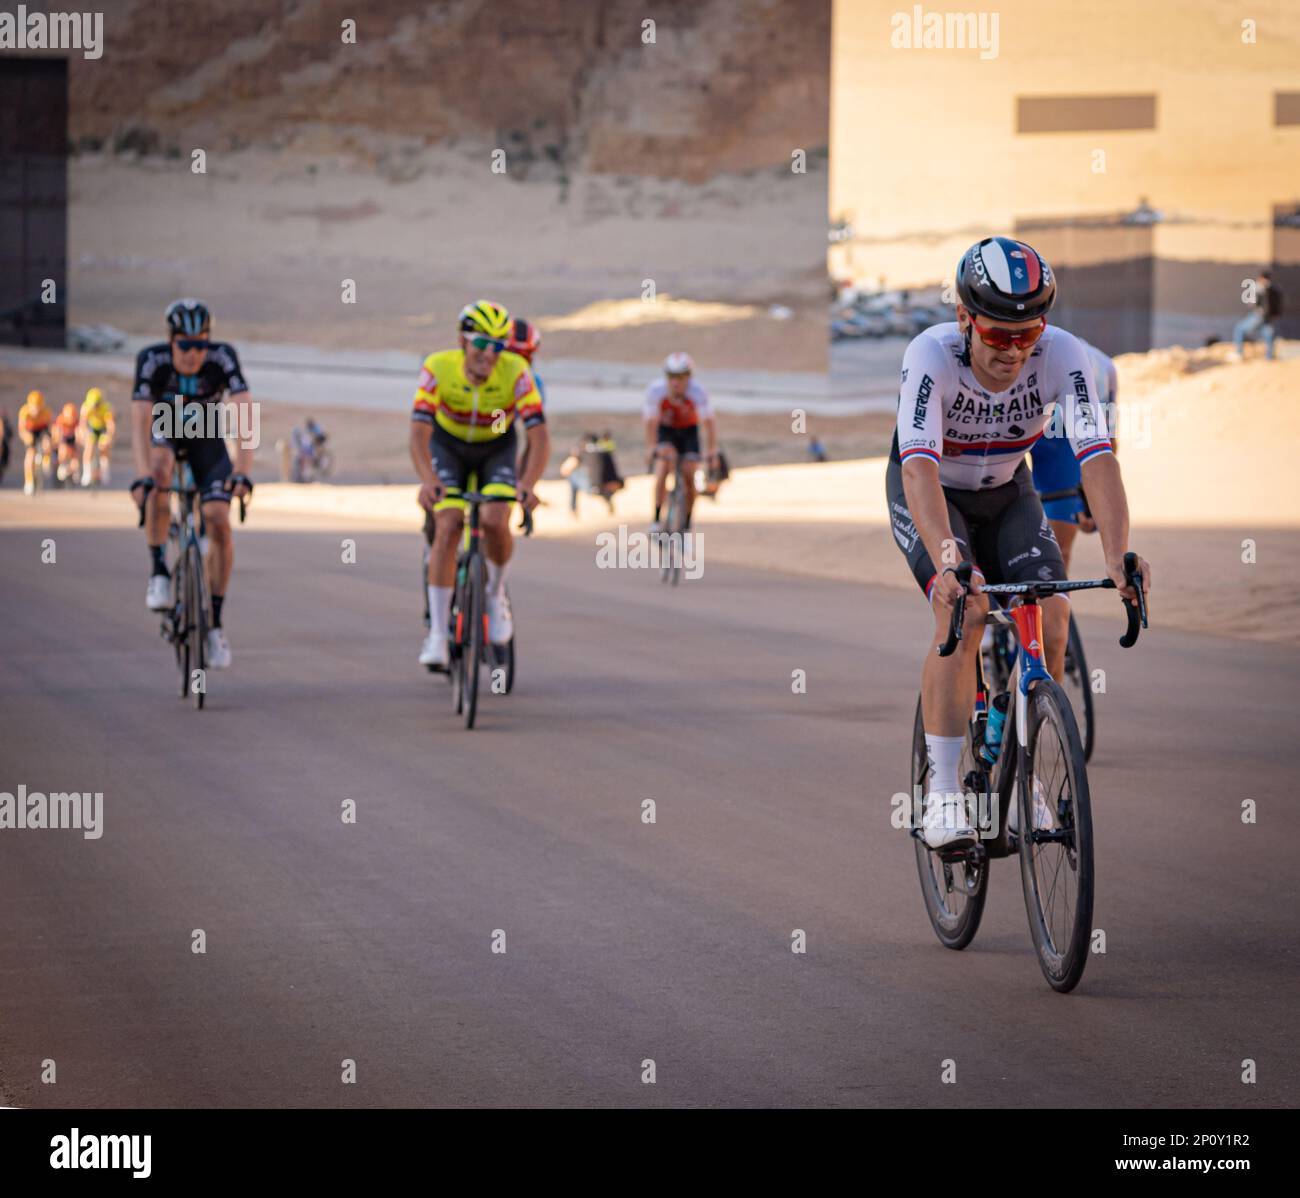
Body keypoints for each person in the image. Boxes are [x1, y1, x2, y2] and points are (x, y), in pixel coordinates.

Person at [888, 236, 1149, 850]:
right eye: (998, 335)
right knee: (966, 608)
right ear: (964, 320)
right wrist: (949, 556)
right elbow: (918, 467)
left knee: (1052, 613)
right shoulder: (930, 353)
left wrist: (1117, 556)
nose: (1013, 351)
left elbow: (1097, 457)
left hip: (1008, 489)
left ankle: (1027, 777)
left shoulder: (1065, 355)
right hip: (932, 493)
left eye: (1026, 335)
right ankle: (946, 794)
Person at [411, 300, 550, 669]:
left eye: (499, 346)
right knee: (448, 523)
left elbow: (537, 437)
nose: (490, 354)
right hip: (448, 446)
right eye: (482, 344)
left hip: (496, 445)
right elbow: (419, 433)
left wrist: (527, 485)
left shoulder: (519, 373)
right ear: (463, 341)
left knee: (494, 519)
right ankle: (438, 635)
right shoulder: (438, 367)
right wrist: (427, 481)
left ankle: (494, 592)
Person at [129, 299, 255, 669]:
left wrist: (243, 471)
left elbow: (245, 409)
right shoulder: (151, 360)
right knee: (158, 471)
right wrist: (141, 476)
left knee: (218, 519)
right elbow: (140, 419)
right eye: (186, 345)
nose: (194, 353)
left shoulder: (222, 357)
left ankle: (213, 623)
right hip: (165, 428)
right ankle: (158, 571)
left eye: (202, 344)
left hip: (207, 433)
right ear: (171, 342)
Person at [1028, 338, 1116, 573]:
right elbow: (1110, 442)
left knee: (1055, 553)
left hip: (1063, 441)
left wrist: (1089, 499)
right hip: (1031, 421)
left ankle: (1054, 602)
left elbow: (1104, 446)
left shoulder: (1105, 366)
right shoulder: (1105, 364)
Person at [644, 352, 718, 532]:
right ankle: (656, 519)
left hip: (688, 432)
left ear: (689, 377)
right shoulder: (656, 390)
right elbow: (651, 422)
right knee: (663, 467)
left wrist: (711, 452)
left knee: (688, 473)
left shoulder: (698, 392)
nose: (675, 382)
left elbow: (708, 423)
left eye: (680, 377)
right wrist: (651, 447)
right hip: (666, 431)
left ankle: (686, 521)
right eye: (671, 377)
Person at [1232, 270, 1283, 361]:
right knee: (1268, 334)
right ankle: (1269, 356)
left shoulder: (1260, 287)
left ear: (1261, 278)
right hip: (1268, 317)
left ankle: (1239, 353)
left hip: (1259, 316)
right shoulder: (1274, 289)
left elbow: (1254, 303)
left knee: (1239, 329)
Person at [17, 389, 53, 495]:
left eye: (38, 406)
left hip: (42, 429)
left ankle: (46, 460)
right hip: (30, 430)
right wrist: (26, 437)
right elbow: (21, 430)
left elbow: (50, 429)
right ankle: (28, 480)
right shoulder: (24, 411)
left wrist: (49, 440)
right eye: (34, 407)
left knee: (47, 442)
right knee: (30, 454)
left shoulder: (46, 411)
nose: (36, 410)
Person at [79, 386, 115, 486]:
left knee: (104, 446)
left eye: (96, 405)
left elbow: (110, 426)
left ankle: (105, 470)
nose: (94, 407)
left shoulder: (107, 408)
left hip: (102, 428)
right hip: (92, 428)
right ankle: (86, 472)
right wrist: (84, 435)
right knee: (89, 446)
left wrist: (109, 436)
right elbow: (83, 424)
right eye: (93, 405)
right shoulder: (85, 408)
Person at [53, 403, 80, 483]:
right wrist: (57, 442)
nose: (71, 419)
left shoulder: (76, 421)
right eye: (70, 417)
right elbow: (57, 433)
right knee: (63, 449)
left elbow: (79, 432)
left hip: (72, 439)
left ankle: (75, 470)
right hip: (63, 439)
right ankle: (62, 465)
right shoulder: (61, 420)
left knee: (76, 455)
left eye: (73, 417)